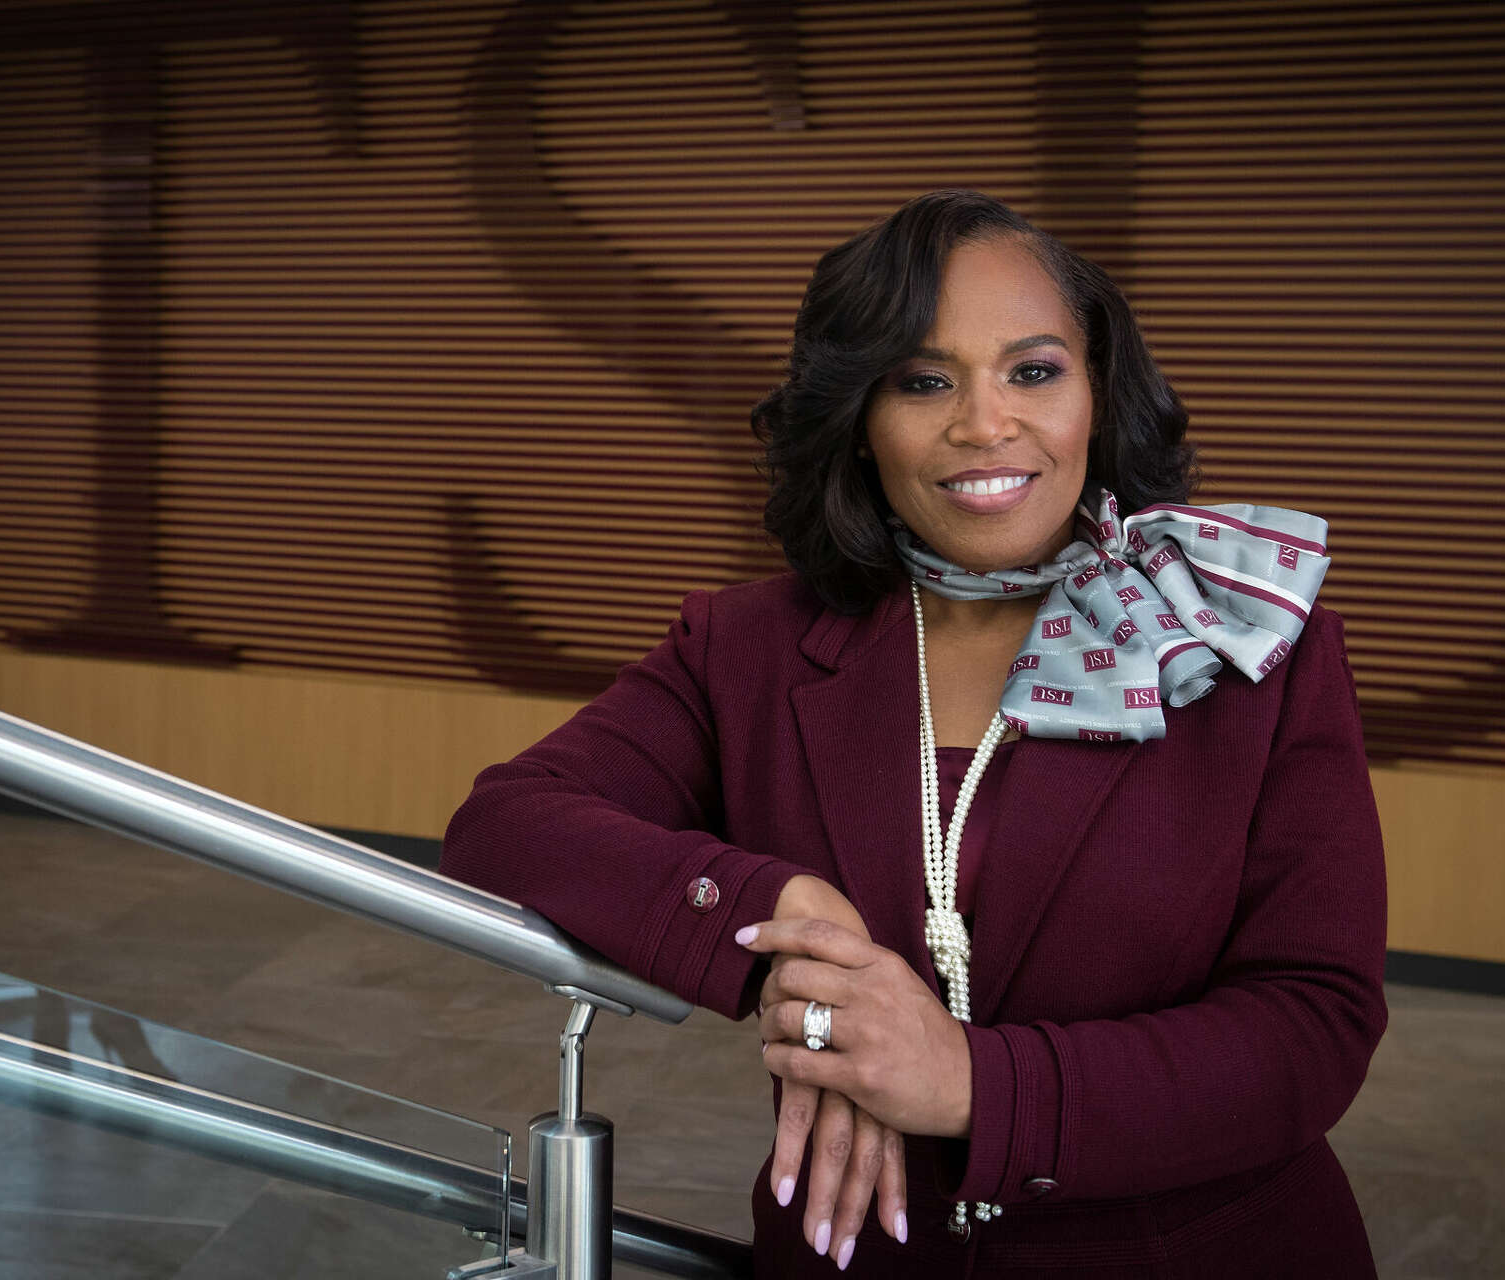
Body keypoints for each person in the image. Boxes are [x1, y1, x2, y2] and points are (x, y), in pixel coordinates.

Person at [441, 189, 1387, 1277]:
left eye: (1034, 370)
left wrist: (970, 1081)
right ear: (858, 418)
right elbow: (506, 823)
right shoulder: (745, 645)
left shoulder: (1250, 644)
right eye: (924, 380)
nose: (986, 423)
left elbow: (1313, 1024)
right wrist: (780, 916)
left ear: (1098, 391)